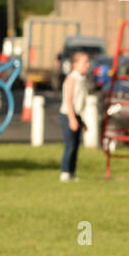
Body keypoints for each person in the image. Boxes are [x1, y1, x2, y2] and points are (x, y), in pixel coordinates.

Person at [59, 49, 91, 182]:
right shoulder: (71, 79)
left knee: (76, 144)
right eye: (84, 62)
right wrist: (72, 119)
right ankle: (65, 171)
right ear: (75, 64)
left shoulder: (82, 79)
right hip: (68, 114)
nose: (87, 65)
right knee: (70, 144)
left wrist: (81, 121)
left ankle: (72, 171)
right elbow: (68, 100)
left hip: (76, 114)